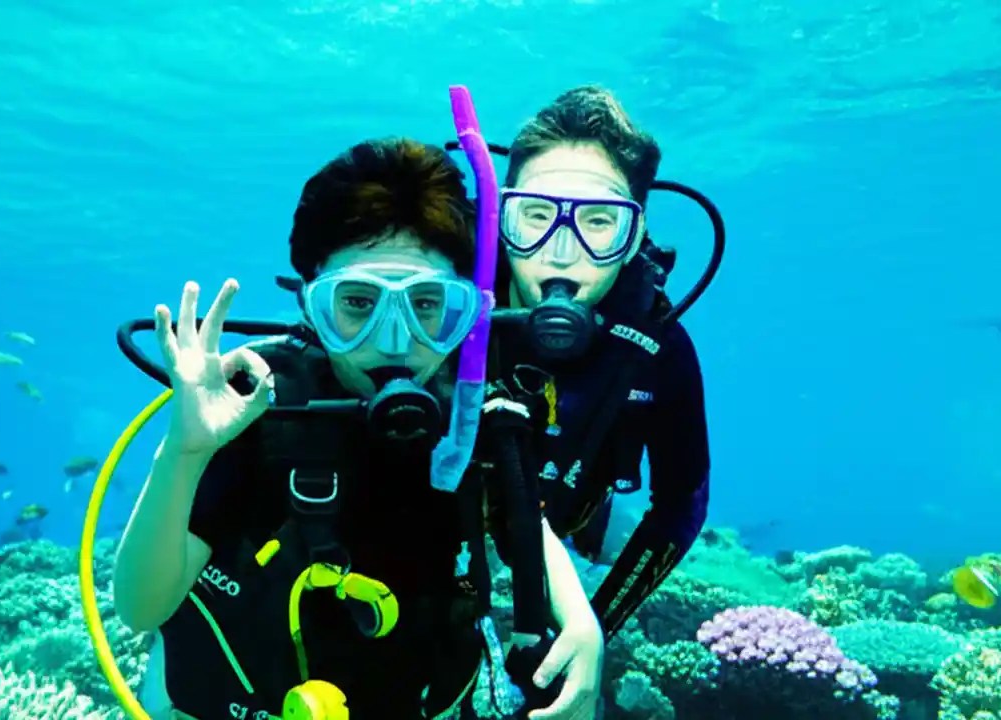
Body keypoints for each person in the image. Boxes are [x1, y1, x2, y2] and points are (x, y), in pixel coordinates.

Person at [112, 137, 604, 720]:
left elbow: (521, 516)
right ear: (311, 307)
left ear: (464, 313)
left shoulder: (469, 409)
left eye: (425, 306)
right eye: (356, 304)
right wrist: (185, 452)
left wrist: (581, 621)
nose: (392, 341)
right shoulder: (259, 409)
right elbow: (141, 608)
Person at [488, 86, 713, 640]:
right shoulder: (444, 312)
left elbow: (681, 503)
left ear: (634, 235)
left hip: (577, 509)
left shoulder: (659, 354)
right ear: (500, 219)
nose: (560, 251)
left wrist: (594, 626)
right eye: (534, 216)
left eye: (598, 223)